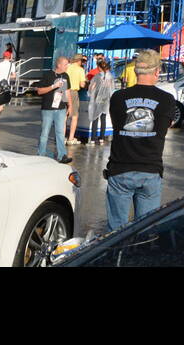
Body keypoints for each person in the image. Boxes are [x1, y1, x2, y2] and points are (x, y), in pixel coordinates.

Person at [104, 50, 174, 230]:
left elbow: (118, 123)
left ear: (135, 71)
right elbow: (166, 126)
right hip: (149, 169)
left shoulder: (118, 97)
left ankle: (115, 256)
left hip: (120, 168)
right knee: (146, 231)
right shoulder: (167, 100)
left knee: (115, 231)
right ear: (157, 71)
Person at [35, 57, 74, 164]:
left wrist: (70, 106)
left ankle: (62, 155)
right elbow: (39, 91)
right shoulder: (48, 75)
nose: (67, 66)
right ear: (59, 65)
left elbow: (67, 91)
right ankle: (41, 154)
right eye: (66, 64)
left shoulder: (66, 76)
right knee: (45, 132)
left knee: (60, 132)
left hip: (61, 108)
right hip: (48, 108)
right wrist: (53, 86)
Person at [86, 56, 116, 144]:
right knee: (103, 118)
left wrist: (90, 92)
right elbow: (112, 89)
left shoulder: (97, 76)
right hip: (106, 100)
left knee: (95, 118)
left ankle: (93, 138)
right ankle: (102, 138)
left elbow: (91, 88)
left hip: (97, 99)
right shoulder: (110, 77)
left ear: (99, 67)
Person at [64, 54, 87, 144]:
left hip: (63, 91)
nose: (83, 63)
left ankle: (61, 137)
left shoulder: (67, 67)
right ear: (79, 61)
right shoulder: (80, 70)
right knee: (74, 116)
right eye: (82, 61)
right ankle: (71, 138)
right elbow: (82, 85)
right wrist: (86, 83)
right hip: (73, 92)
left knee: (63, 116)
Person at [0, 50, 16, 124]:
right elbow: (14, 76)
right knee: (2, 103)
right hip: (6, 85)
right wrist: (8, 76)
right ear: (9, 57)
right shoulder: (12, 65)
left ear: (3, 56)